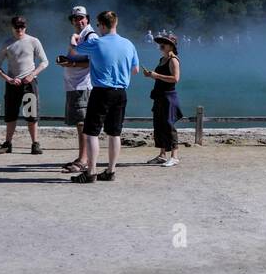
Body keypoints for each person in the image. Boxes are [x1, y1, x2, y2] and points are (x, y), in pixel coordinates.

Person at [67, 10, 140, 184]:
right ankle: (110, 171)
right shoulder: (129, 44)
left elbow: (75, 50)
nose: (98, 28)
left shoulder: (97, 43)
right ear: (116, 23)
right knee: (114, 133)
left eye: (98, 25)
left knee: (92, 133)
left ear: (103, 24)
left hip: (101, 91)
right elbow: (135, 70)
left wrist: (74, 37)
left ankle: (91, 172)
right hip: (121, 92)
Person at [0, 15, 48, 155]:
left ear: (26, 27)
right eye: (17, 27)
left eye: (22, 26)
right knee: (11, 114)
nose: (19, 29)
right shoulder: (7, 43)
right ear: (12, 27)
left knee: (31, 114)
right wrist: (8, 79)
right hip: (12, 84)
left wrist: (32, 75)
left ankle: (35, 143)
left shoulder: (34, 41)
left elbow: (44, 62)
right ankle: (7, 143)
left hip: (29, 84)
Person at [57, 6, 97, 173]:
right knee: (80, 125)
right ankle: (83, 157)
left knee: (82, 124)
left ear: (87, 19)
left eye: (81, 18)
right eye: (75, 18)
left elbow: (92, 62)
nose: (79, 21)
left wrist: (71, 63)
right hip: (75, 85)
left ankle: (83, 160)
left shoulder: (90, 36)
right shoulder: (80, 36)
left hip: (82, 85)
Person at [142, 35, 183, 167]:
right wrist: (150, 75)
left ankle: (175, 156)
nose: (161, 46)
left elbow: (175, 79)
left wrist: (156, 75)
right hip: (159, 96)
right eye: (161, 43)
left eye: (164, 43)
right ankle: (162, 155)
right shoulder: (162, 59)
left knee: (168, 125)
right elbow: (160, 78)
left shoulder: (173, 60)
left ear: (171, 46)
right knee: (159, 125)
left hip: (168, 97)